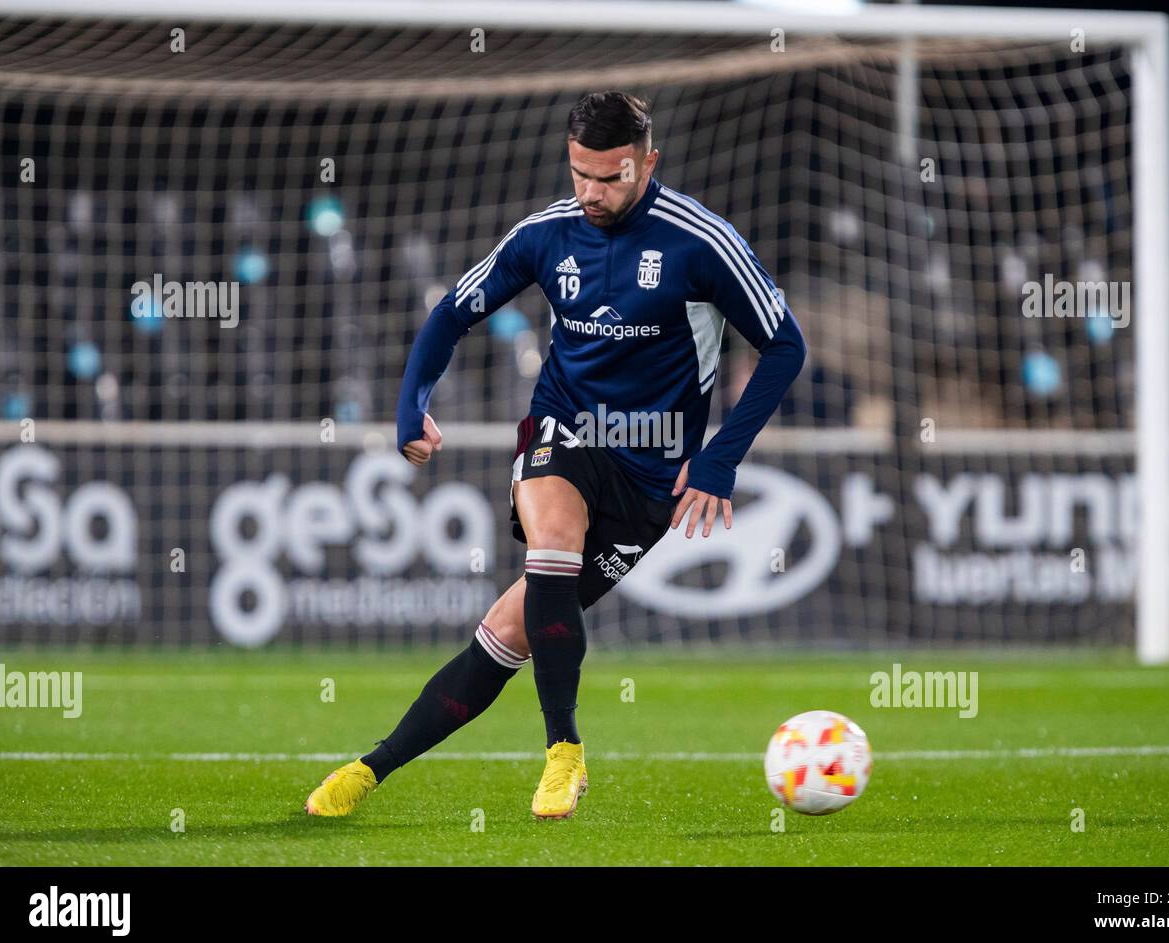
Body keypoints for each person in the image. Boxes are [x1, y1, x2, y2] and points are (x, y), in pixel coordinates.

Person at [305, 90, 806, 820]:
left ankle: (372, 765)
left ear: (648, 162)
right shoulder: (546, 235)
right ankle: (563, 750)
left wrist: (722, 456)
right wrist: (410, 405)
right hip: (565, 430)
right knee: (553, 547)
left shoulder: (701, 242)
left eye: (612, 177)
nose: (593, 193)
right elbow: (452, 312)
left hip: (652, 472)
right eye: (581, 174)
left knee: (509, 634)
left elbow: (785, 344)